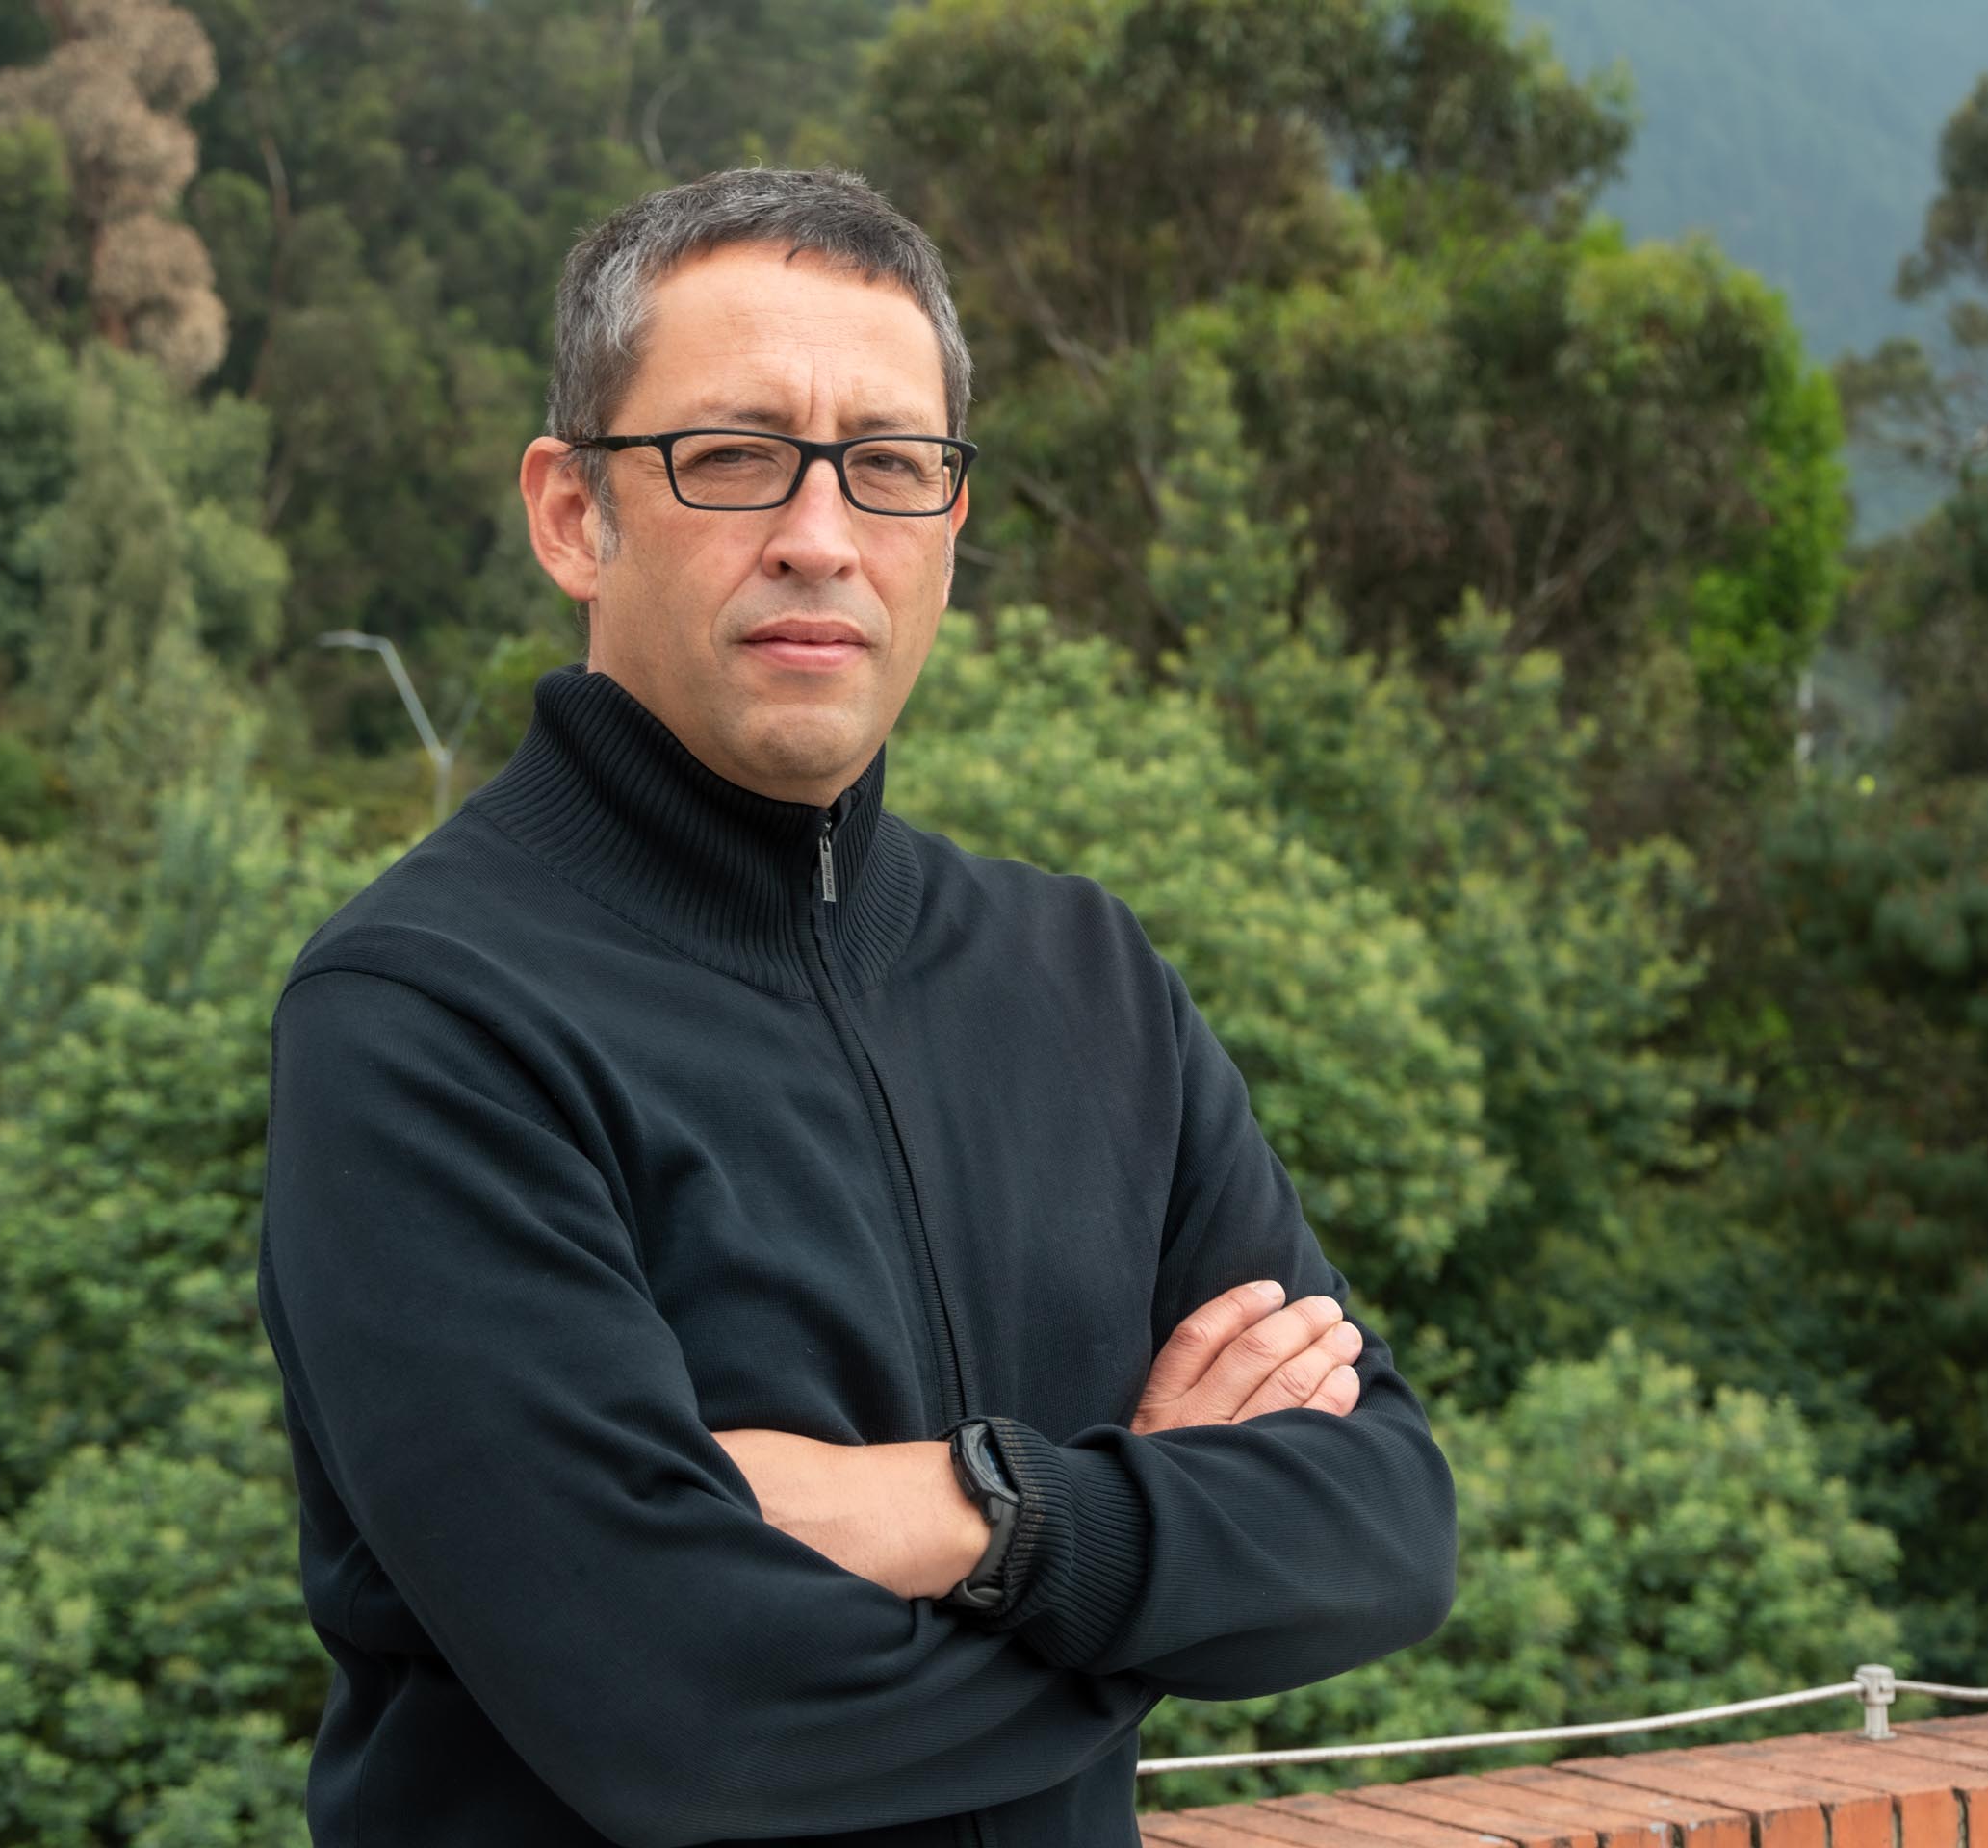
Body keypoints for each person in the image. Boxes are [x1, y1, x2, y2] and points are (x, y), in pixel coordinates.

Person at [257, 165, 1457, 1848]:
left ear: (949, 523)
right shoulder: (426, 1016)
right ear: (573, 515)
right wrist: (1161, 1574)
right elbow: (684, 1718)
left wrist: (986, 1515)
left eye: (889, 465)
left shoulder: (1083, 978)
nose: (821, 537)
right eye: (734, 455)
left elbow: (1383, 1523)